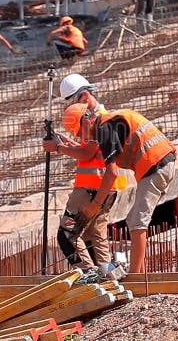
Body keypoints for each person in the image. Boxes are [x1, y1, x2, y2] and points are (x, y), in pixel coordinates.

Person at [64, 103, 176, 274]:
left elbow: (111, 173)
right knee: (134, 220)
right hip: (159, 162)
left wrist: (95, 204)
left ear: (86, 122)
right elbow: (94, 153)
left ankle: (135, 277)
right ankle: (141, 275)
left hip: (155, 164)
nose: (82, 137)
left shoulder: (105, 128)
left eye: (80, 133)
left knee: (137, 222)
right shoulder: (108, 123)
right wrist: (67, 146)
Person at [43, 74, 131, 272]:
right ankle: (109, 276)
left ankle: (91, 276)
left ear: (83, 96)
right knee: (96, 234)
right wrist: (67, 144)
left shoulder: (92, 118)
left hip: (90, 188)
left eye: (72, 102)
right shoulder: (105, 117)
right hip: (106, 189)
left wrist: (58, 148)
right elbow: (91, 154)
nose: (70, 108)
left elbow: (87, 152)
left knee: (67, 235)